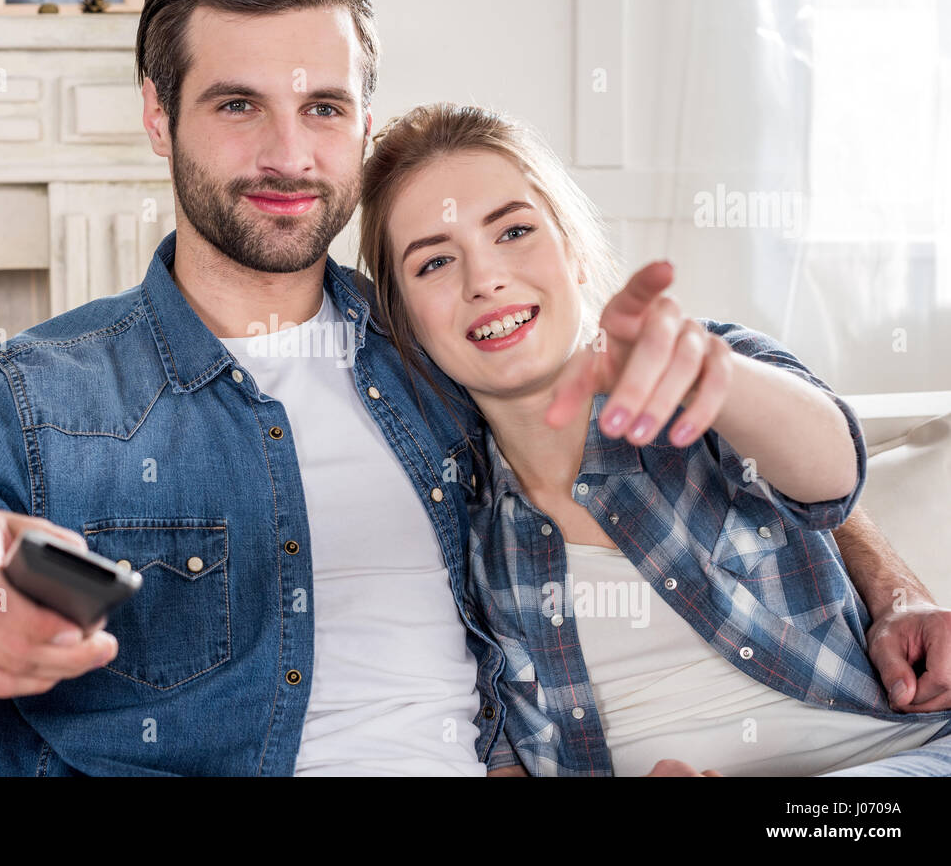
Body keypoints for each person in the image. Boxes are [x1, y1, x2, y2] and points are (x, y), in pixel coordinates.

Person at [0, 0, 948, 778]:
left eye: (323, 106)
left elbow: (718, 442)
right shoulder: (37, 399)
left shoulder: (442, 340)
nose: (288, 151)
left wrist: (890, 581)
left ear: (362, 123)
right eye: (237, 106)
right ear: (159, 116)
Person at [357, 102, 951, 776]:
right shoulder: (462, 536)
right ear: (406, 322)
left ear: (575, 251)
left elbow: (832, 476)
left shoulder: (706, 368)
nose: (485, 279)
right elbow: (500, 749)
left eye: (515, 230)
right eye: (434, 263)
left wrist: (713, 378)